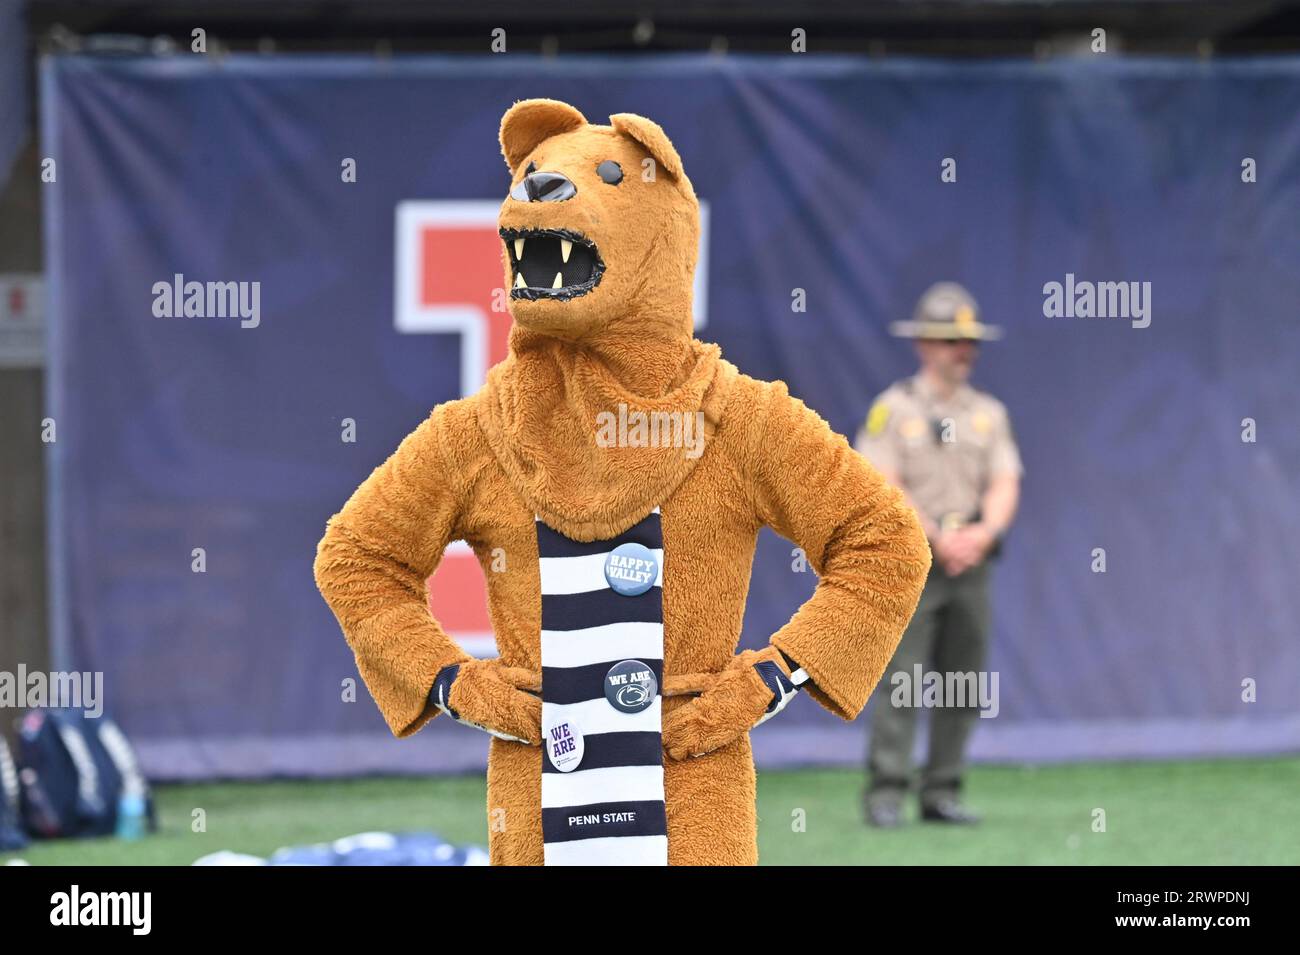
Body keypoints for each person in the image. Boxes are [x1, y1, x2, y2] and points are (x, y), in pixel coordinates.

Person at [855, 282, 1022, 827]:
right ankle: (886, 792)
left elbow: (1004, 480)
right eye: (952, 340)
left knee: (963, 680)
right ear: (925, 343)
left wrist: (983, 533)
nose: (963, 350)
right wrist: (934, 535)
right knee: (902, 677)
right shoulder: (893, 409)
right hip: (913, 564)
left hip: (970, 562)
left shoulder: (989, 414)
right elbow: (883, 480)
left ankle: (942, 790)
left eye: (969, 341)